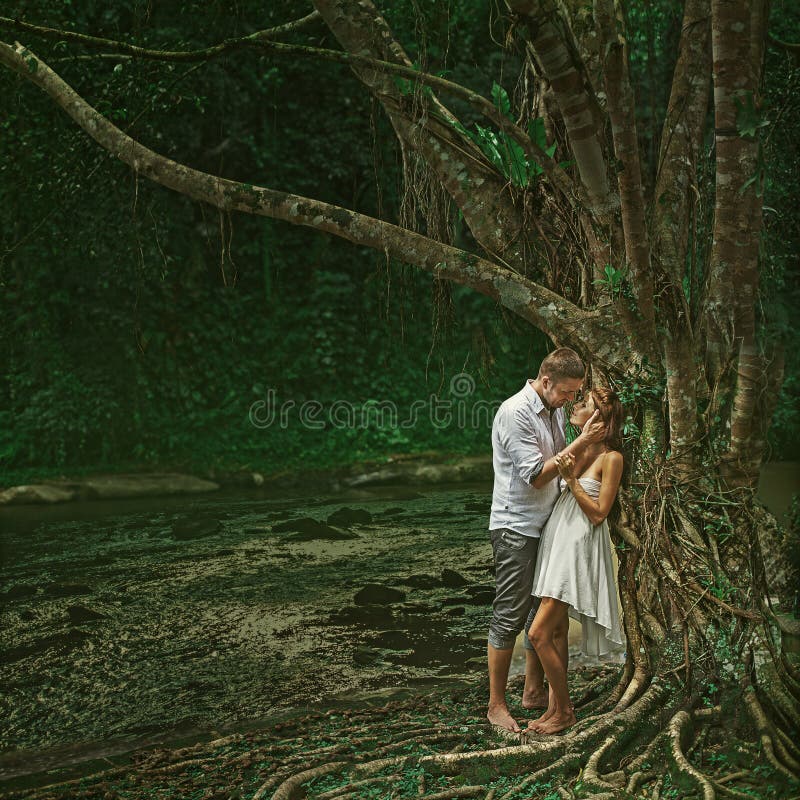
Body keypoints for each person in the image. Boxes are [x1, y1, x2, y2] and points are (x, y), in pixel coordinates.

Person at [487, 348, 605, 733]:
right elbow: (537, 476)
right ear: (546, 380)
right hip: (515, 527)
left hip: (548, 524)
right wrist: (582, 440)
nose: (570, 400)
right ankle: (496, 705)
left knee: (538, 615)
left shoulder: (553, 409)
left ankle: (534, 692)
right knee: (509, 615)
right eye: (567, 393)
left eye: (576, 394)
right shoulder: (515, 412)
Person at [527, 387, 626, 735]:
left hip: (577, 545)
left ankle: (566, 711)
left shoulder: (611, 458)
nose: (577, 405)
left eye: (585, 405)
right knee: (553, 631)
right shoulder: (578, 449)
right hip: (557, 539)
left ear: (601, 419)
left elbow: (600, 514)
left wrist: (572, 481)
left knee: (537, 633)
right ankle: (554, 707)